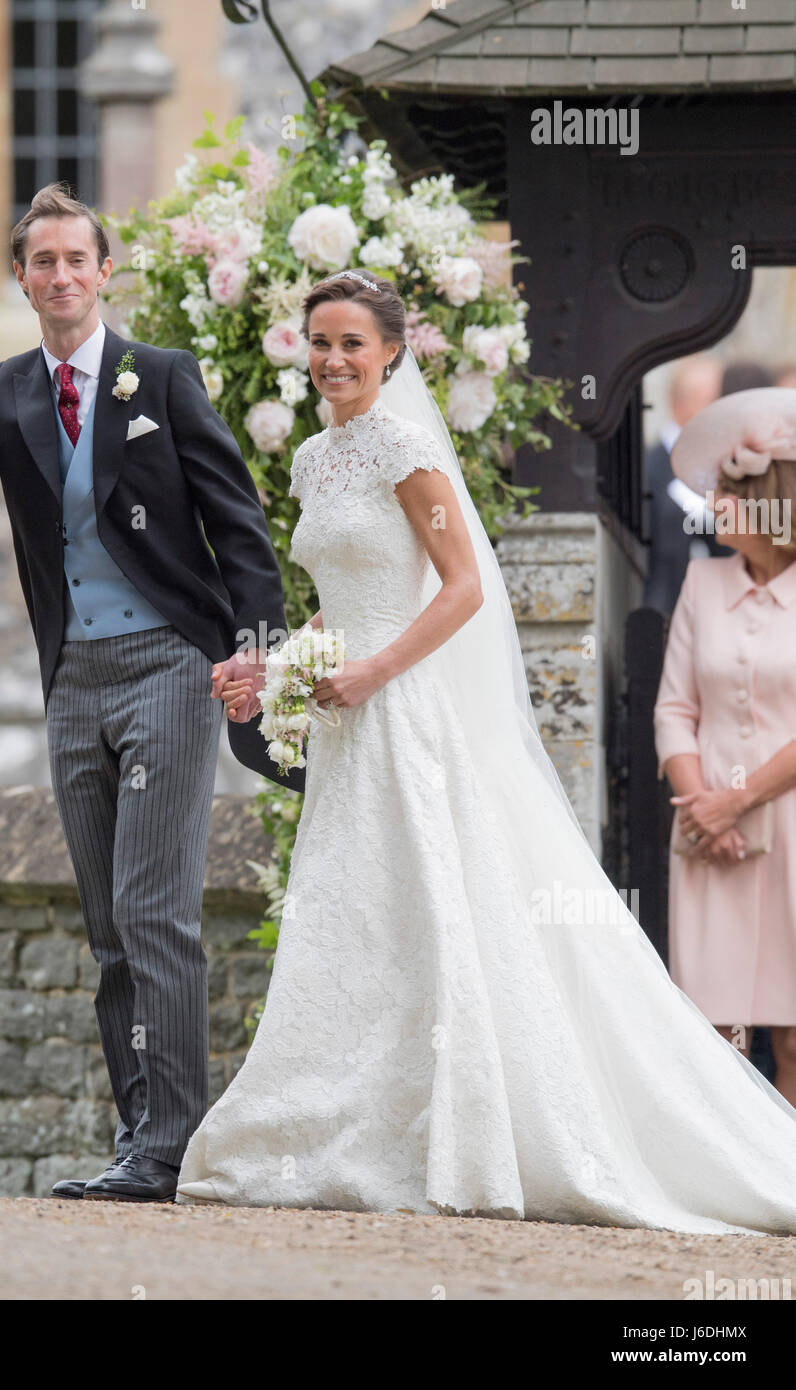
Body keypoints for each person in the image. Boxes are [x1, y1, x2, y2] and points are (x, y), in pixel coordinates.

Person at [178, 269, 796, 1234]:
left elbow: (463, 587)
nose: (335, 360)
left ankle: (475, 1134)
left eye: (353, 344)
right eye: (320, 343)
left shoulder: (405, 446)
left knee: (442, 909)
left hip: (409, 710)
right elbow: (340, 606)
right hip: (350, 718)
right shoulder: (310, 459)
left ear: (390, 353)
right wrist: (275, 671)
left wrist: (376, 671)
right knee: (365, 918)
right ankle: (360, 1127)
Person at [0, 181, 295, 1204]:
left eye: (78, 259)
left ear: (104, 272)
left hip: (170, 662)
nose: (62, 275)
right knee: (108, 920)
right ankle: (139, 1141)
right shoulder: (11, 391)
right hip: (73, 679)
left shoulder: (161, 379)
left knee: (155, 907)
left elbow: (239, 529)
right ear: (23, 279)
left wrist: (257, 655)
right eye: (43, 262)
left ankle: (170, 1146)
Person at [654, 388, 796, 1107]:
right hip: (707, 836)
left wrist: (737, 801)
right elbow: (674, 707)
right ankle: (732, 1187)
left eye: (732, 494)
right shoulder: (701, 583)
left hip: (789, 832)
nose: (716, 507)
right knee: (720, 1030)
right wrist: (701, 805)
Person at [643, 354, 726, 616]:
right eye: (711, 399)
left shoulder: (729, 465)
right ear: (679, 403)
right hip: (665, 614)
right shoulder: (649, 468)